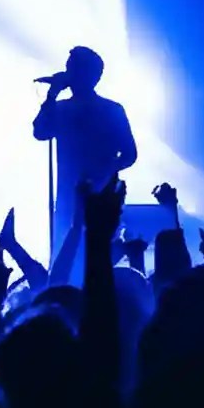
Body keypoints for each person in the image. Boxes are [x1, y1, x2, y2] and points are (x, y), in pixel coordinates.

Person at [33, 47, 138, 259]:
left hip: (102, 197)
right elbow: (40, 132)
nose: (68, 72)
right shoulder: (60, 108)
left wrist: (105, 170)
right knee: (66, 258)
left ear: (90, 75)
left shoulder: (111, 110)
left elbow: (129, 153)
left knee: (98, 259)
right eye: (68, 67)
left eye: (74, 67)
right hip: (67, 198)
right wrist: (51, 96)